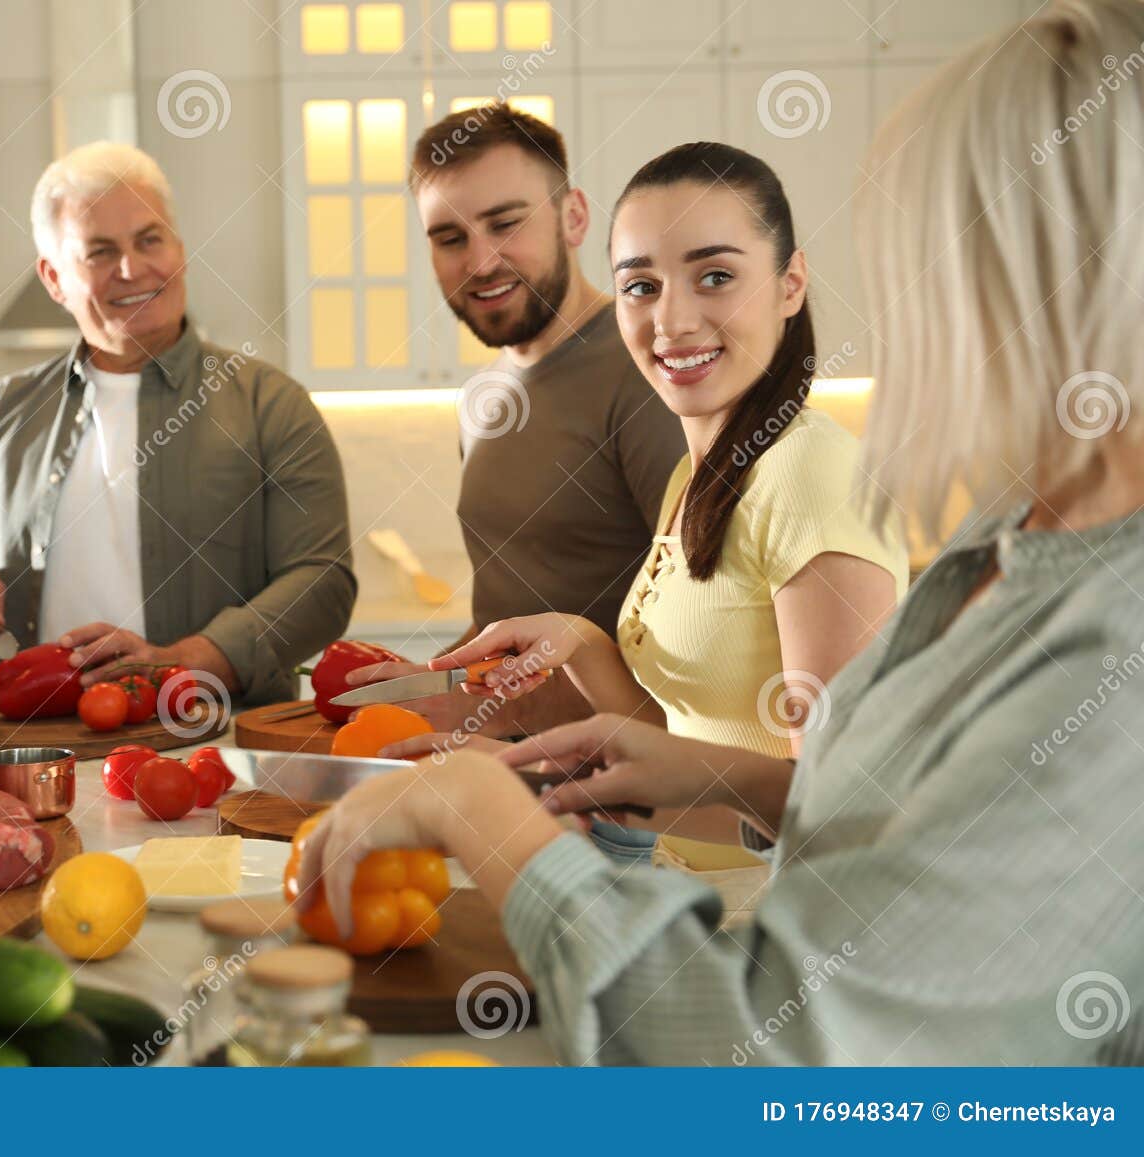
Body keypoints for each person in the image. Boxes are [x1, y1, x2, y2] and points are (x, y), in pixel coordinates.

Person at [298, 0, 1144, 1064]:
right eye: (644, 283)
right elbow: (896, 819)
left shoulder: (1116, 645)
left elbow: (755, 1061)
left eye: (931, 256)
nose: (908, 300)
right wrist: (712, 774)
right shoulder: (1007, 530)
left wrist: (482, 812)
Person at [404, 142, 910, 869]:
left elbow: (836, 812)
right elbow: (675, 740)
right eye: (641, 286)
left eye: (715, 277)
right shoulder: (702, 475)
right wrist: (578, 641)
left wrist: (534, 787)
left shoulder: (810, 475)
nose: (671, 320)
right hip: (692, 904)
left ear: (790, 283)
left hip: (775, 942)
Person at [0, 142, 354, 704]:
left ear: (179, 250)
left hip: (213, 742)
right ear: (52, 278)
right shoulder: (1, 412)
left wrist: (180, 662)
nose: (131, 269)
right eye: (99, 252)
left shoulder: (271, 403)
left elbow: (323, 580)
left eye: (149, 240)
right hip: (39, 749)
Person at [344, 105, 686, 736]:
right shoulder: (487, 396)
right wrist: (435, 676)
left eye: (506, 224)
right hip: (514, 775)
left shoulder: (650, 372)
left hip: (627, 804)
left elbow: (701, 656)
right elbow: (509, 612)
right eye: (450, 238)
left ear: (574, 216)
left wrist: (484, 710)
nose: (479, 261)